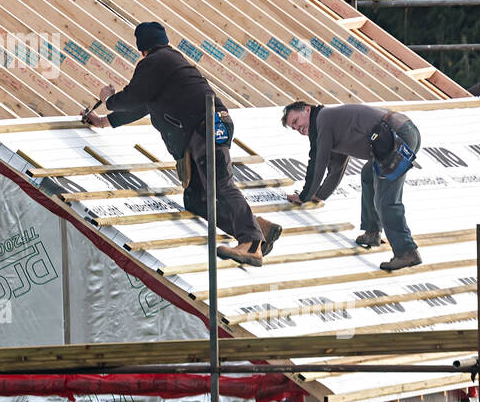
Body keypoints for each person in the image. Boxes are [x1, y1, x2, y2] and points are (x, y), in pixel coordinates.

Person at [85, 21, 281, 266]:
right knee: (197, 201)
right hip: (209, 125)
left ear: (142, 49)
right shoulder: (170, 64)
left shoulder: (154, 62)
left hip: (206, 126)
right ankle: (256, 228)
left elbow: (133, 97)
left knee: (220, 183)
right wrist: (104, 122)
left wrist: (109, 99)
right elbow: (142, 106)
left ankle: (252, 243)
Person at [280, 100, 422, 271]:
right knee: (368, 175)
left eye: (296, 121)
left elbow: (318, 161)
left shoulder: (323, 120)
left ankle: (407, 251)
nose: (299, 129)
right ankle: (372, 232)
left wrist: (304, 196)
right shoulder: (330, 122)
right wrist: (319, 195)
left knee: (386, 200)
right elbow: (336, 167)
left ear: (307, 110)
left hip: (398, 135)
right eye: (294, 128)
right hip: (394, 135)